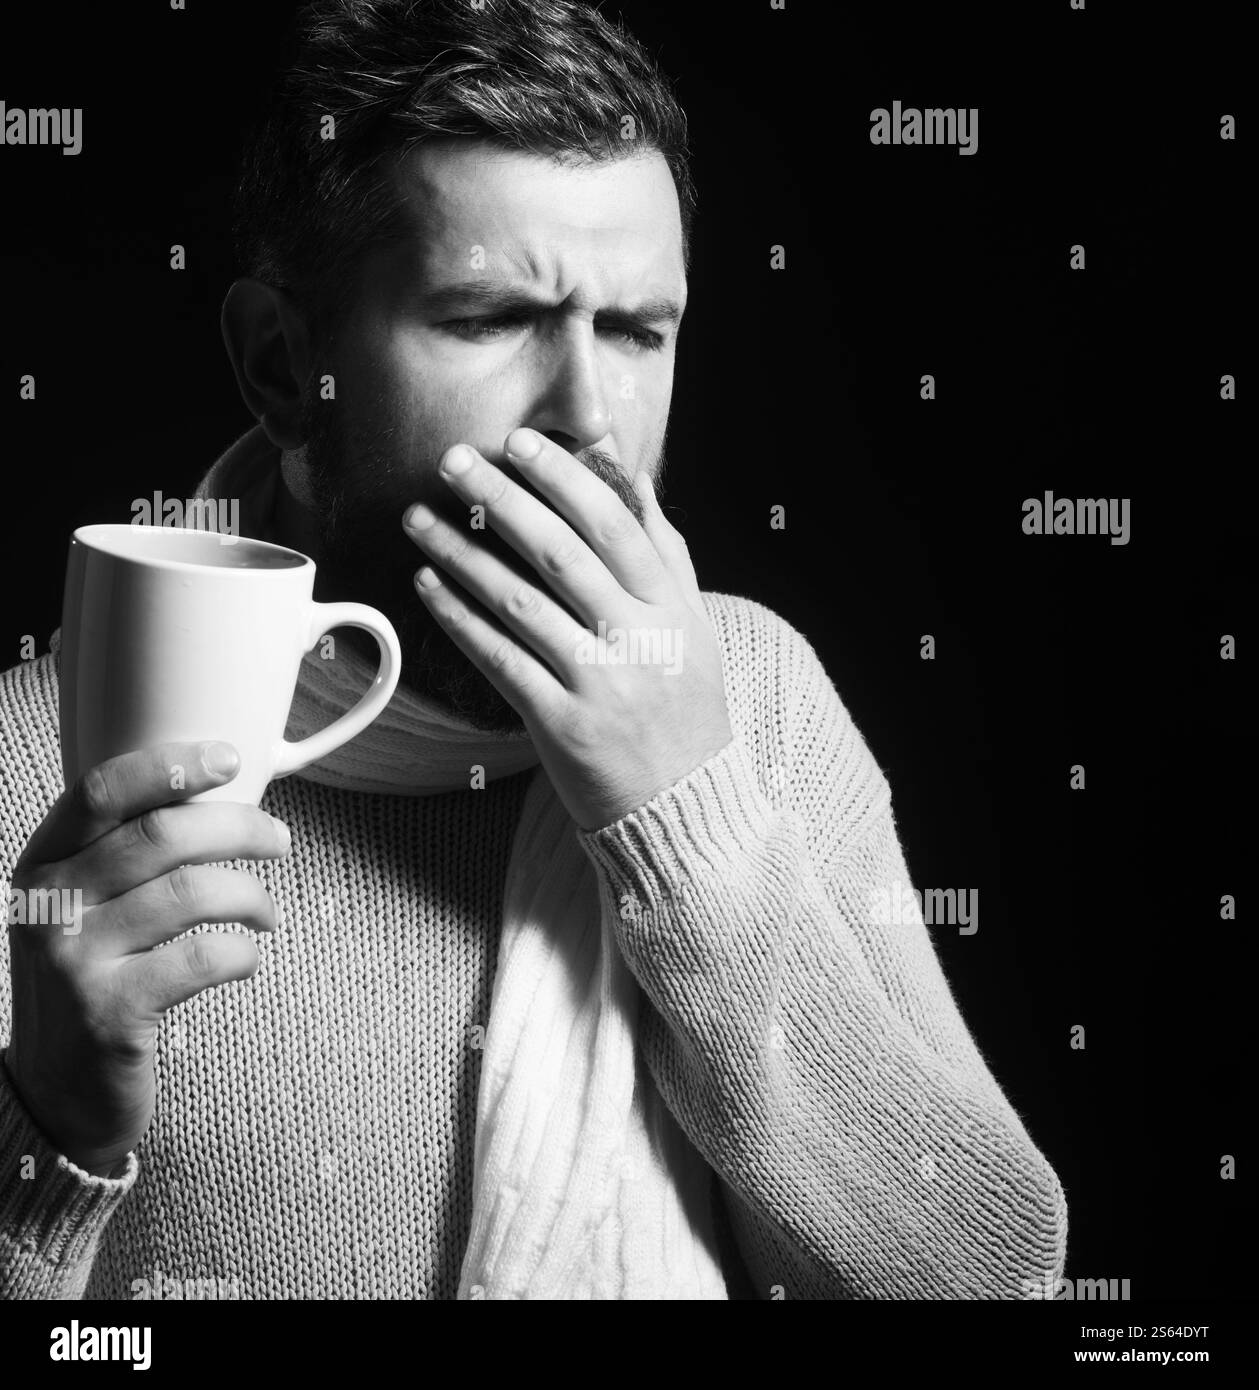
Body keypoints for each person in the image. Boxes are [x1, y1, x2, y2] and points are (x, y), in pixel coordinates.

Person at [0, 0, 1067, 1299]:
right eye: (491, 317)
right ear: (284, 367)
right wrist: (49, 1140)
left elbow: (999, 1280)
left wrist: (691, 818)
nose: (589, 422)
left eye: (634, 332)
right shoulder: (28, 773)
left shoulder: (754, 695)